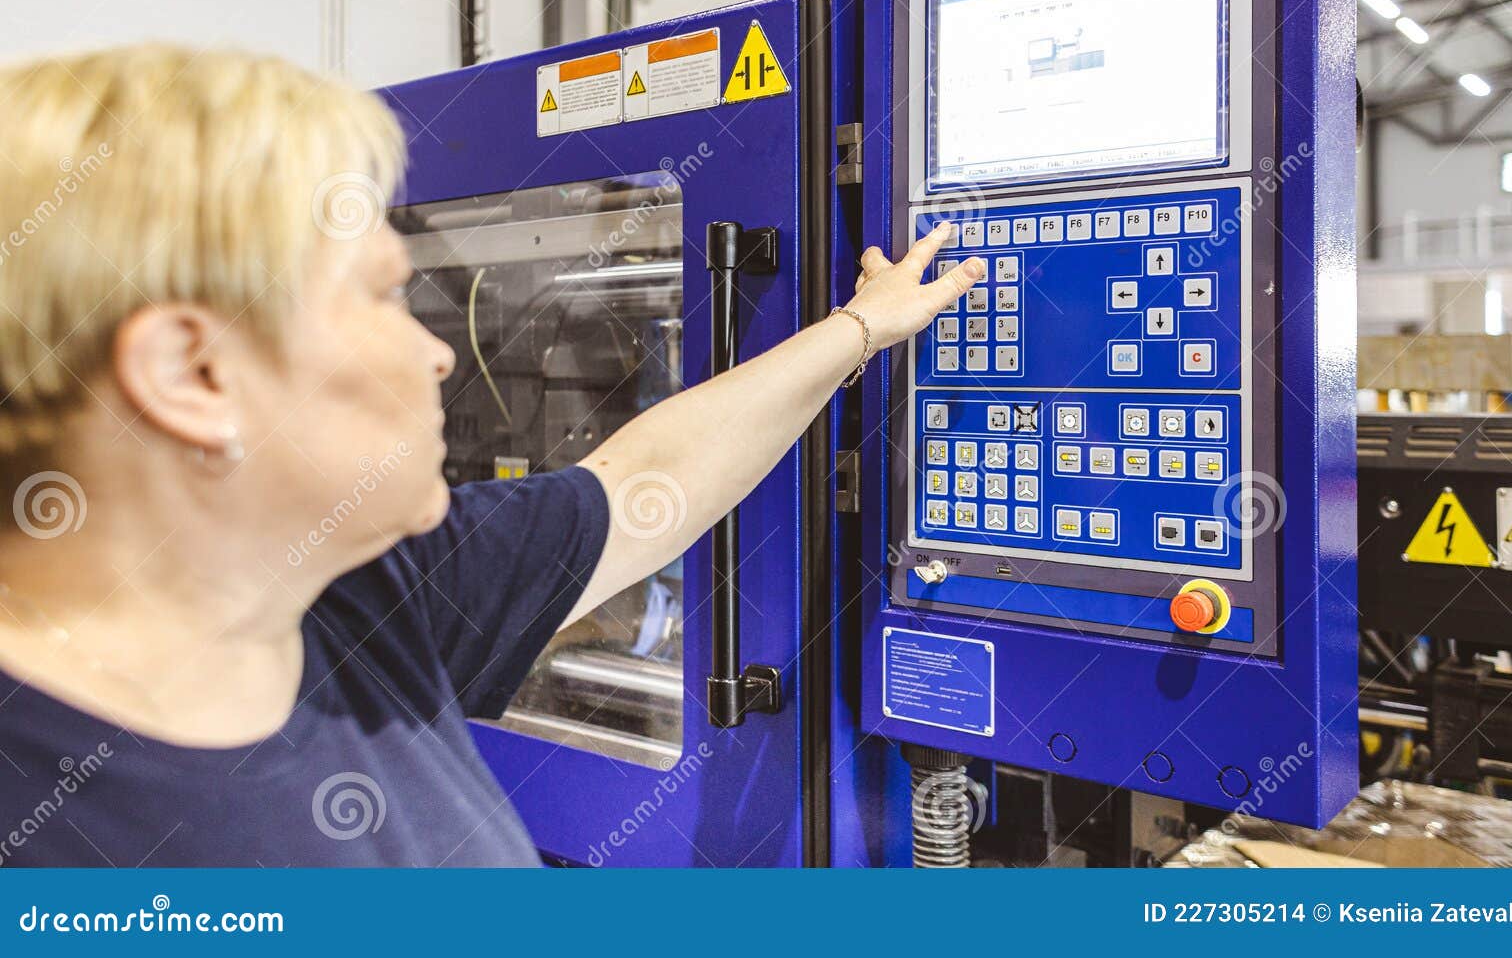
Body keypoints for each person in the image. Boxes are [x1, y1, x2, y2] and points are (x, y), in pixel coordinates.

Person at [0, 45, 983, 866]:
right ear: (191, 371)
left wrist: (862, 326)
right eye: (380, 296)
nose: (435, 352)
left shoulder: (352, 593)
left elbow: (647, 480)